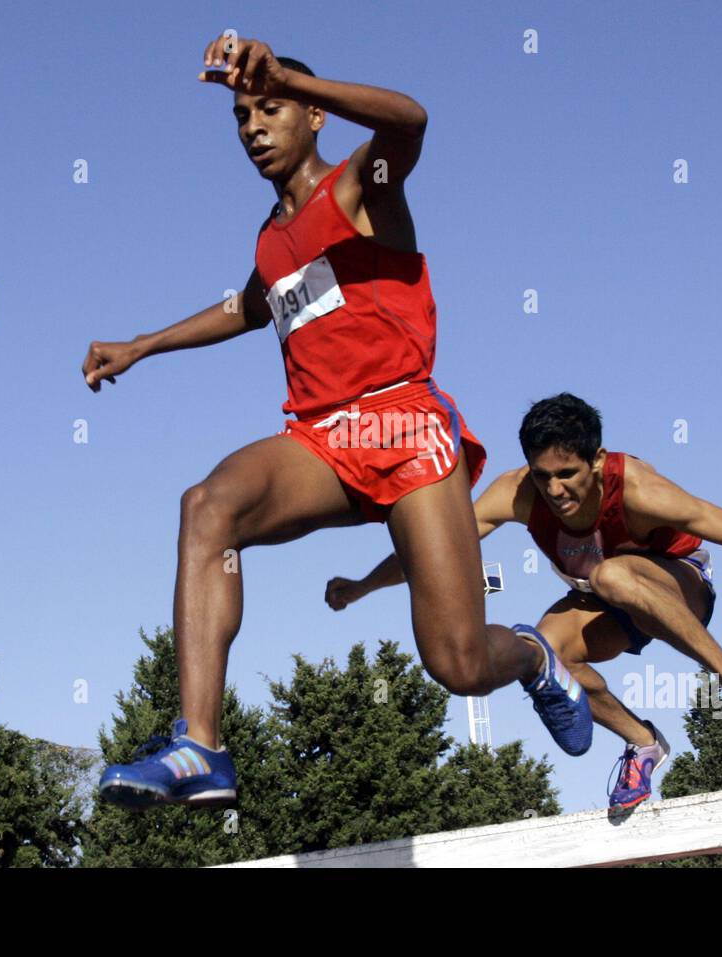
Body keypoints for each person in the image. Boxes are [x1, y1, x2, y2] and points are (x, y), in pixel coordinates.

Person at [82, 37, 590, 808]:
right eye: (242, 114)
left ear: (314, 115)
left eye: (272, 108)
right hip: (322, 439)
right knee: (206, 506)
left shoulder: (361, 187)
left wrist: (284, 70)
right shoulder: (272, 238)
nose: (253, 126)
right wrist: (144, 345)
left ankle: (530, 656)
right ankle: (200, 746)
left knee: (455, 663)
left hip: (404, 426)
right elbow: (248, 307)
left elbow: (412, 121)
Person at [327, 393, 722, 809]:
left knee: (612, 573)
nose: (555, 490)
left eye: (568, 474)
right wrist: (362, 587)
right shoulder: (518, 495)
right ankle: (643, 743)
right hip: (603, 603)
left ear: (596, 461)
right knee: (542, 652)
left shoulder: (640, 489)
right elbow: (433, 551)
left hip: (678, 588)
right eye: (543, 476)